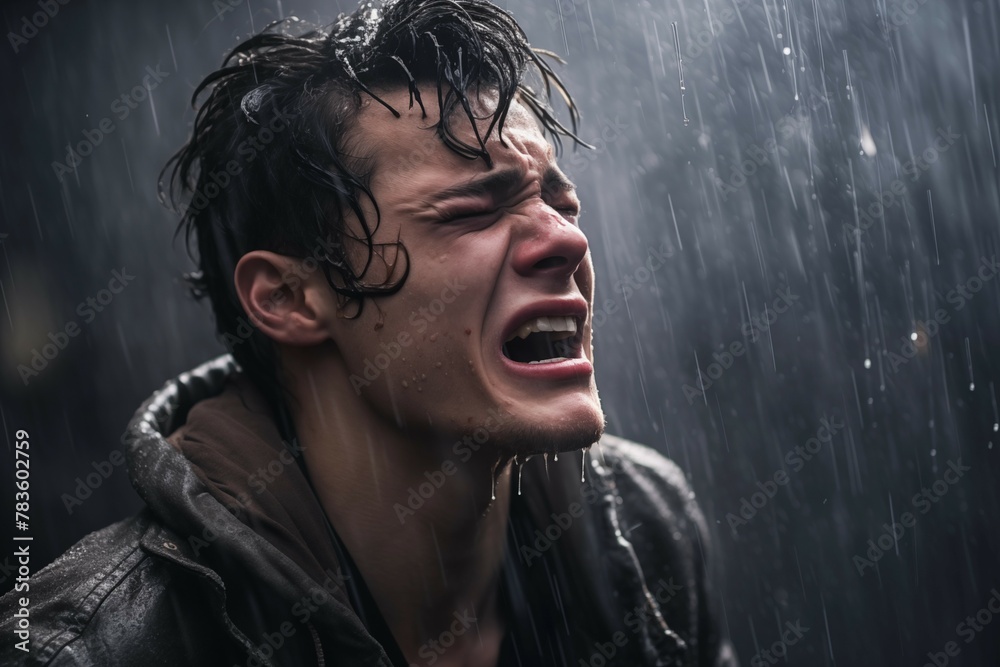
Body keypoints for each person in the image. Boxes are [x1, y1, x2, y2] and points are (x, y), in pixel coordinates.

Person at [1, 0, 736, 664]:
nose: (568, 242)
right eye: (472, 210)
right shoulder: (85, 649)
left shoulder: (648, 529)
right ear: (289, 296)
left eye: (561, 203)